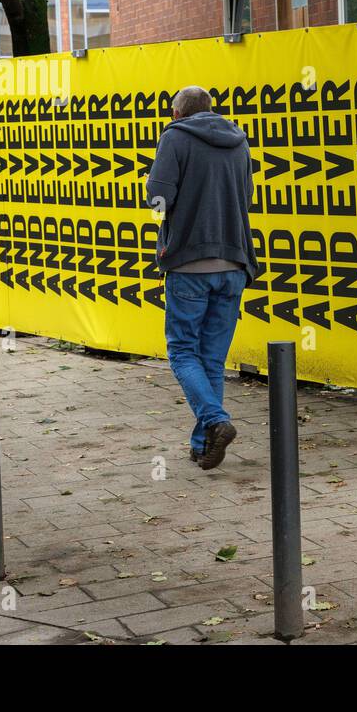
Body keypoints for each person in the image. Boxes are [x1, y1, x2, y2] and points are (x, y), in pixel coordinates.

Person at [146, 86, 257, 470]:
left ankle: (215, 422)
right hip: (233, 262)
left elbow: (158, 197)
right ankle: (202, 445)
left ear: (177, 113)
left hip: (189, 263)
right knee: (211, 359)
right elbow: (246, 198)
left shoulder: (173, 139)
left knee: (181, 352)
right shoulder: (239, 141)